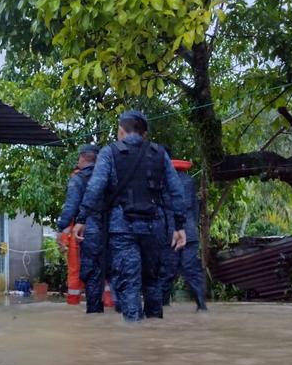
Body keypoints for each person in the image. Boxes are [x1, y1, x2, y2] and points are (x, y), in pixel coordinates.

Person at [73, 110, 186, 321]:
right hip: (155, 227)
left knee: (129, 283)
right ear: (144, 133)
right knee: (152, 281)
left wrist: (81, 219)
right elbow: (176, 191)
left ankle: (134, 340)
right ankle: (154, 336)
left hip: (122, 228)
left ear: (121, 130)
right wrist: (179, 227)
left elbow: (95, 187)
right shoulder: (160, 153)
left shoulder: (109, 153)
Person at [56, 144, 106, 313]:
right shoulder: (110, 177)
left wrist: (61, 229)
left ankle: (94, 315)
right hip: (114, 231)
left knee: (90, 273)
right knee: (112, 272)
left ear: (82, 158)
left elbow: (70, 207)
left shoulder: (79, 179)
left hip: (88, 231)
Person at [160, 155, 208, 311]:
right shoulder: (189, 181)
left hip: (171, 233)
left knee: (167, 271)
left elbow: (168, 208)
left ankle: (162, 308)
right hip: (190, 233)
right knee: (191, 270)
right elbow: (194, 209)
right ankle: (201, 306)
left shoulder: (166, 182)